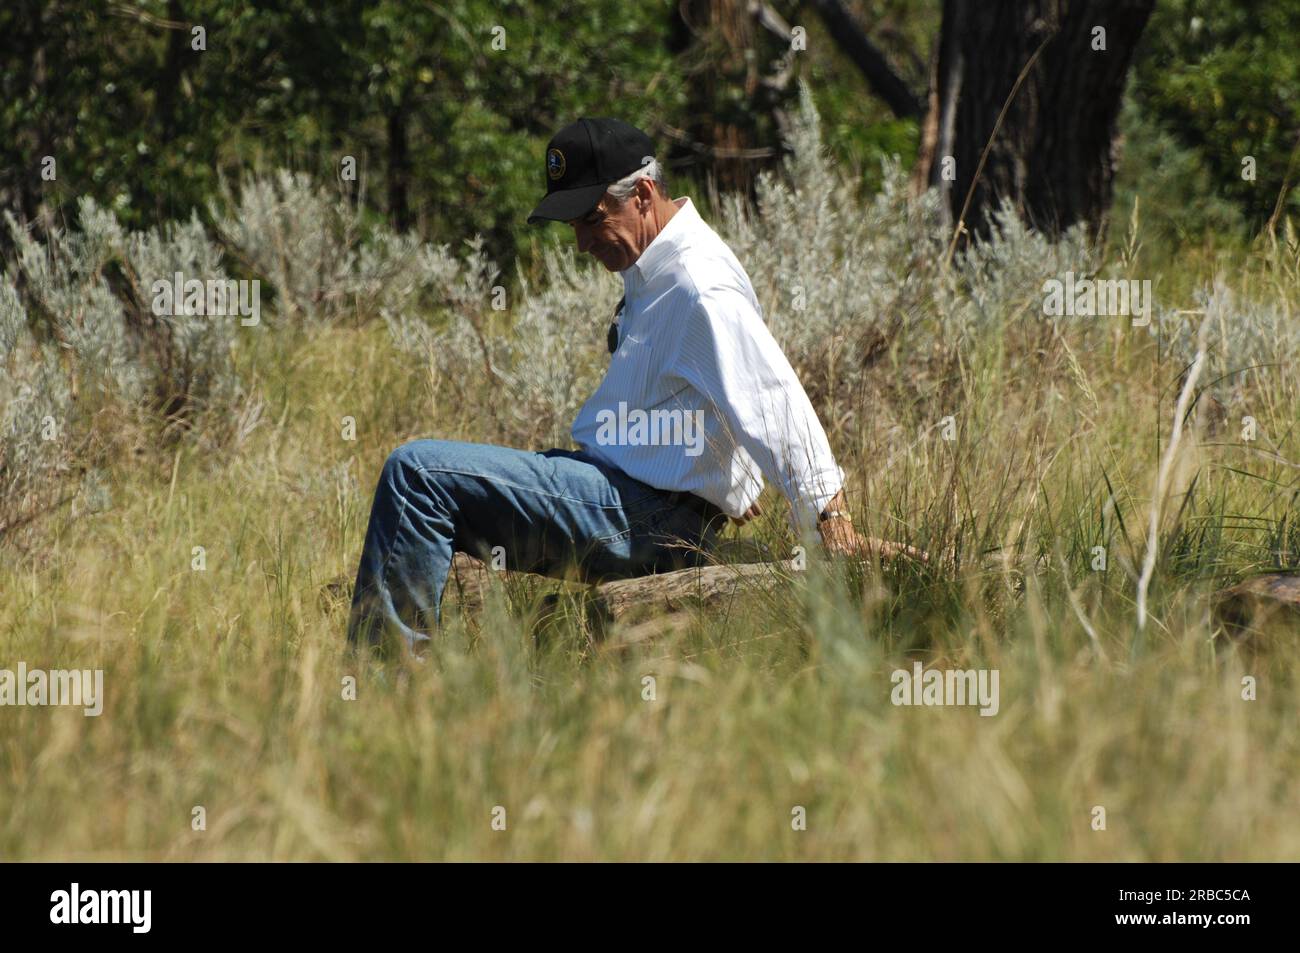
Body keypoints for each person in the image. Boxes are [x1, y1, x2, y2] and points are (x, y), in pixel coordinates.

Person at [346, 117, 881, 655]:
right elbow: (699, 388)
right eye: (572, 224)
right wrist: (726, 471)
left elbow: (772, 397)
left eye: (590, 219)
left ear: (643, 194)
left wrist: (829, 521)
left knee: (417, 476)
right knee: (439, 487)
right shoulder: (655, 268)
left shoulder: (698, 285)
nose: (580, 241)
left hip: (641, 514)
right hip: (633, 497)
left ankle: (385, 682)